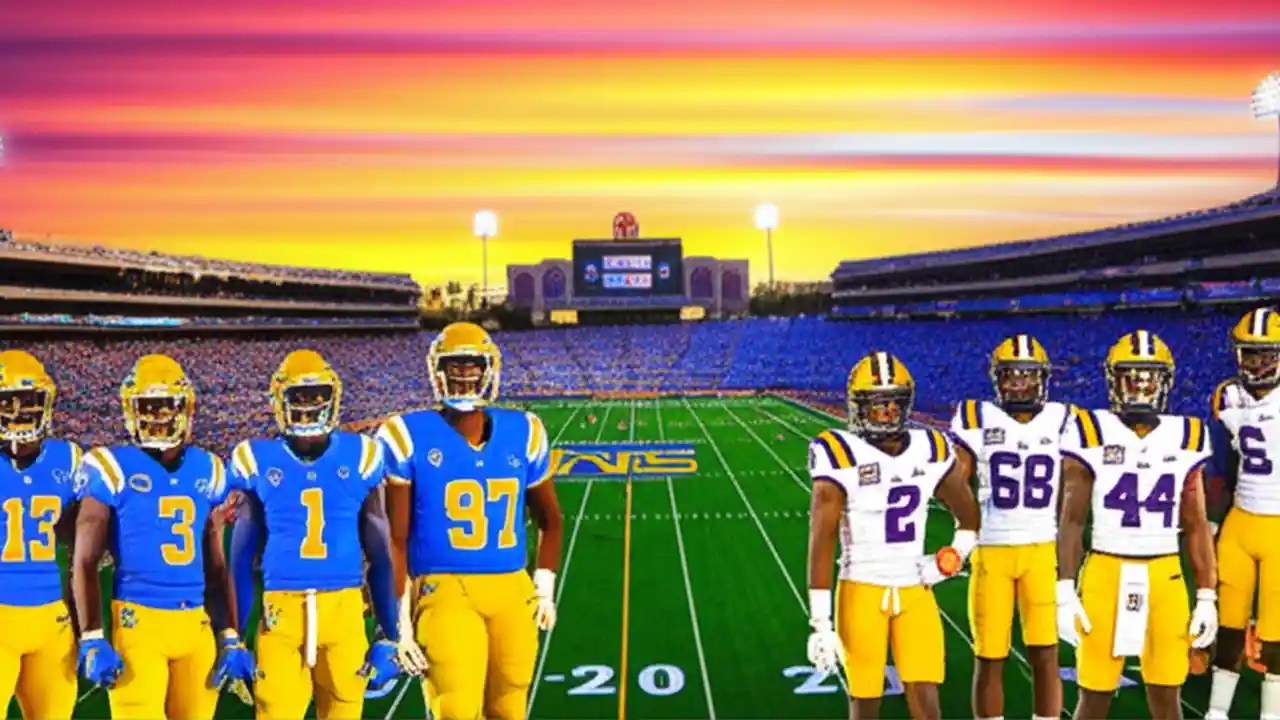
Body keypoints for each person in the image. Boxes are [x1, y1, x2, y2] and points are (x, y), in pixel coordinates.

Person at [379, 322, 564, 720]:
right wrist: (397, 623)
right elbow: (394, 538)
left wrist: (544, 587)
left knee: (511, 707)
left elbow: (552, 520)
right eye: (455, 367)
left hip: (513, 591)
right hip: (444, 591)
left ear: (489, 369)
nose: (464, 376)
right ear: (437, 372)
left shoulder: (525, 430)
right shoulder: (406, 434)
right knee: (455, 707)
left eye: (472, 366)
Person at [228, 349, 427, 719]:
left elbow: (381, 554)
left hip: (344, 611)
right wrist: (232, 636)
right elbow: (240, 559)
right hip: (281, 614)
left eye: (316, 396)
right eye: (298, 398)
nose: (308, 405)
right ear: (279, 401)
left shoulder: (362, 455)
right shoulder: (257, 458)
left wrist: (388, 633)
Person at [72, 353, 253, 719]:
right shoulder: (109, 466)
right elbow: (84, 560)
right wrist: (91, 635)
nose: (157, 417)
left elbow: (216, 565)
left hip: (196, 625)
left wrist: (230, 633)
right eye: (148, 407)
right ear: (130, 410)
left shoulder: (210, 468)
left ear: (185, 408)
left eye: (165, 406)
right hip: (139, 625)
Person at [806, 350, 980, 720]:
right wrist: (820, 622)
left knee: (928, 703)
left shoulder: (930, 448)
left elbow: (969, 516)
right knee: (865, 704)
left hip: (916, 589)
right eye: (876, 406)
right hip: (861, 589)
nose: (886, 414)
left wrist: (952, 558)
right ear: (857, 408)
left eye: (892, 405)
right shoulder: (838, 452)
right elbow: (822, 537)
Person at [1056, 330, 1218, 719]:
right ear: (1115, 380)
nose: (1141, 386)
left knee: (1166, 694)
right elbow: (1072, 519)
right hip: (1105, 569)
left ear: (1164, 381)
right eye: (1132, 376)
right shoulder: (1088, 429)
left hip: (1165, 572)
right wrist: (1063, 587)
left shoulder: (1188, 435)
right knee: (1094, 694)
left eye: (1149, 377)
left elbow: (1195, 524)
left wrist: (1208, 596)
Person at [949, 335, 1064, 720]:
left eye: (1027, 376)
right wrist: (965, 528)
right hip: (992, 548)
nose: (1018, 384)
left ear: (1041, 379)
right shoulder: (975, 417)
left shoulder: (1064, 418)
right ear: (997, 380)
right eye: (1010, 376)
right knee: (989, 656)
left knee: (1046, 654)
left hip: (1042, 548)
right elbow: (955, 481)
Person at [1206, 308, 1280, 719]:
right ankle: (1218, 711)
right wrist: (1213, 523)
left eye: (1266, 353)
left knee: (1277, 639)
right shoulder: (1227, 396)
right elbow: (1221, 468)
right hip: (1240, 518)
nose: (1257, 363)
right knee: (1229, 628)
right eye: (1249, 354)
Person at [0, 350, 80, 719]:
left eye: (27, 402)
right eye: (7, 403)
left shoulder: (70, 459)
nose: (17, 412)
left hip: (52, 621)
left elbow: (80, 546)